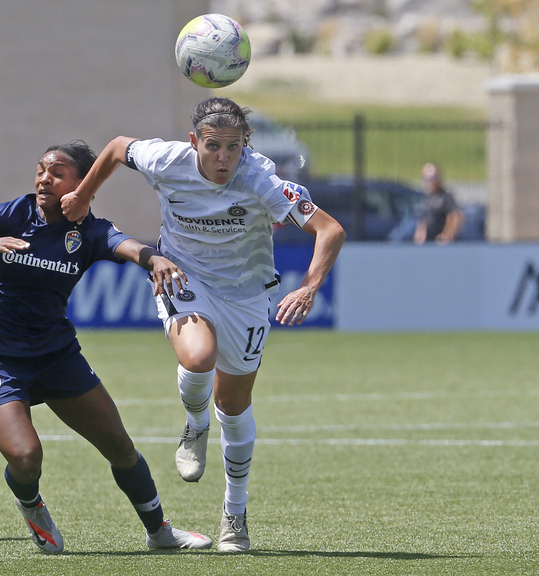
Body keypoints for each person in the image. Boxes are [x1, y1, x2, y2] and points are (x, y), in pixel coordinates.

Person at [61, 97, 346, 552]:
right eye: (213, 146)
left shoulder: (261, 181)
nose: (224, 158)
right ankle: (195, 423)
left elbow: (330, 230)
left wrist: (309, 286)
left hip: (247, 295)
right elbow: (115, 148)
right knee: (198, 357)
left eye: (234, 147)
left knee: (234, 407)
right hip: (183, 274)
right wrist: (85, 194)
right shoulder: (166, 160)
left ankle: (235, 512)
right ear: (194, 141)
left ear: (245, 146)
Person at [0, 140, 213, 553]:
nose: (44, 178)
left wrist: (154, 260)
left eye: (57, 173)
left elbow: (129, 246)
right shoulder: (14, 212)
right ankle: (32, 505)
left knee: (120, 448)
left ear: (84, 185)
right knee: (26, 458)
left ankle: (160, 533)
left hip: (56, 356)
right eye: (41, 169)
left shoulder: (92, 231)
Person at [413, 162, 463, 245]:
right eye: (427, 178)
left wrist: (448, 234)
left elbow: (455, 215)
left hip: (438, 242)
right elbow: (422, 219)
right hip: (425, 242)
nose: (430, 182)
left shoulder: (446, 197)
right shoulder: (423, 198)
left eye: (433, 178)